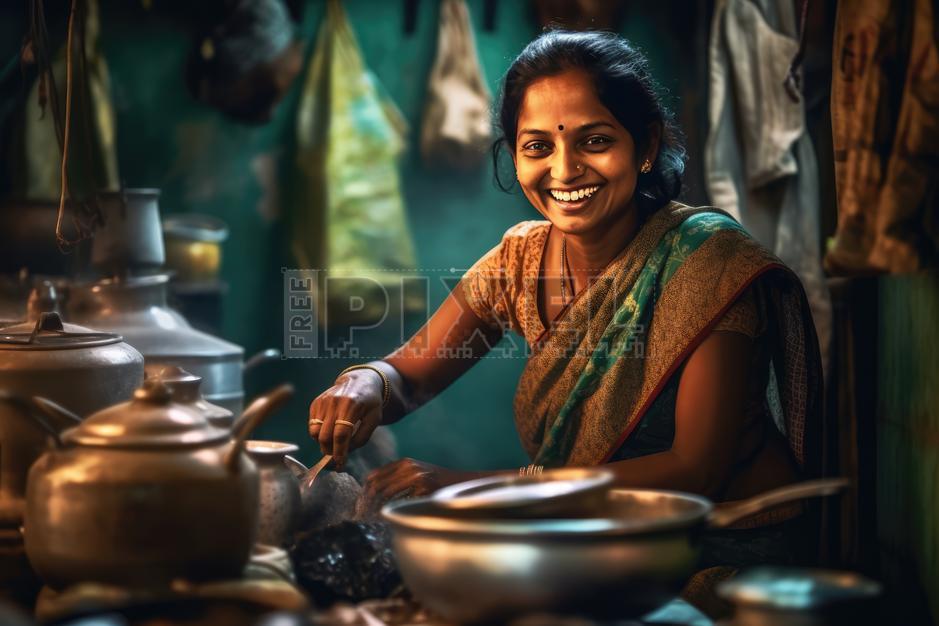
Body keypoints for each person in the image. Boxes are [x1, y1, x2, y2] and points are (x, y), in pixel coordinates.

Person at [307, 30, 822, 560]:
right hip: (596, 537)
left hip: (729, 544)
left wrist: (472, 488)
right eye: (538, 147)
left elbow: (696, 470)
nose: (564, 169)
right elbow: (408, 376)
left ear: (644, 146)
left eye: (594, 140)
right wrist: (366, 381)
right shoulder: (520, 261)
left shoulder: (706, 261)